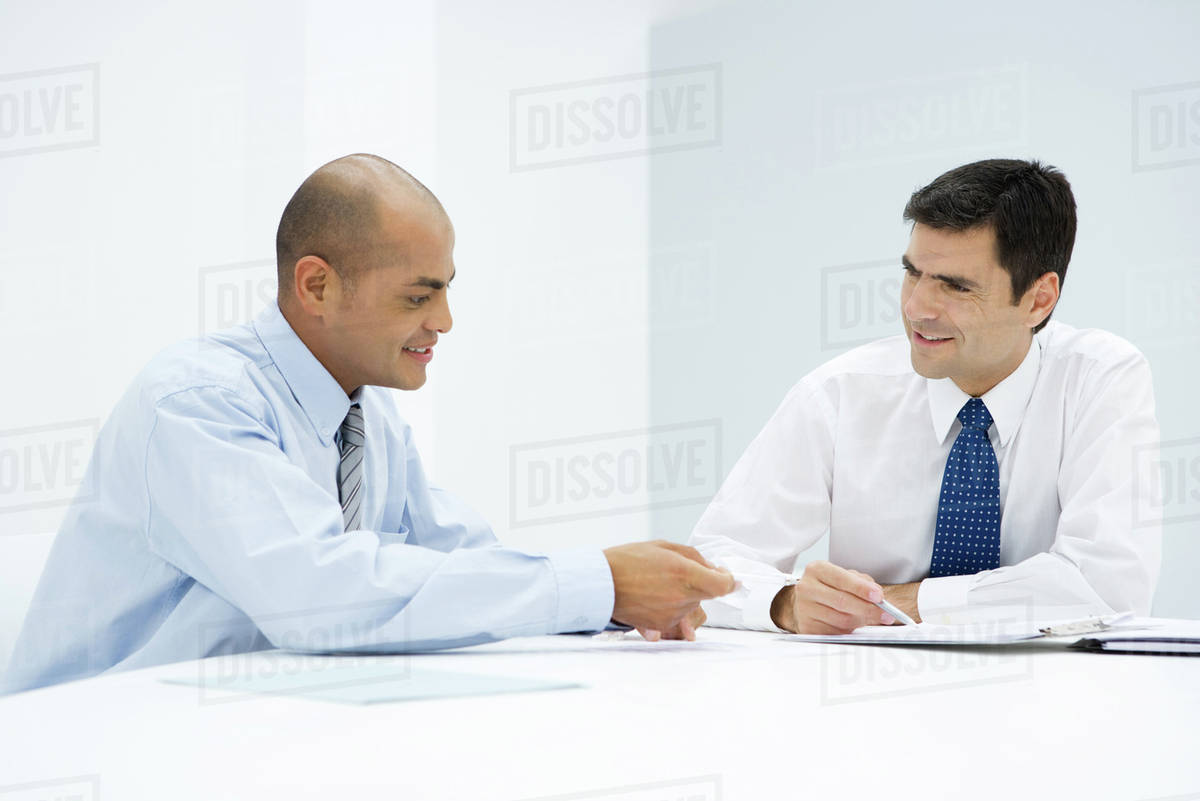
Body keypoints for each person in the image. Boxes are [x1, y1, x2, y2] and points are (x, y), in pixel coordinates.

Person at [4, 153, 735, 694]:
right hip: (96, 740)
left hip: (246, 725)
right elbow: (320, 596)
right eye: (420, 296)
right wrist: (597, 583)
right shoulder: (197, 403)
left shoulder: (367, 415)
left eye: (446, 291)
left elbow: (455, 562)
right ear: (317, 285)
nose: (444, 322)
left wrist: (613, 600)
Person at [690, 159, 1161, 635]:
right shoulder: (841, 394)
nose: (916, 309)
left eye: (956, 287)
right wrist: (785, 604)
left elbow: (1106, 588)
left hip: (1054, 697)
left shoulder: (1100, 380)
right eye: (913, 274)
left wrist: (899, 604)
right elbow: (710, 566)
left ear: (1039, 300)